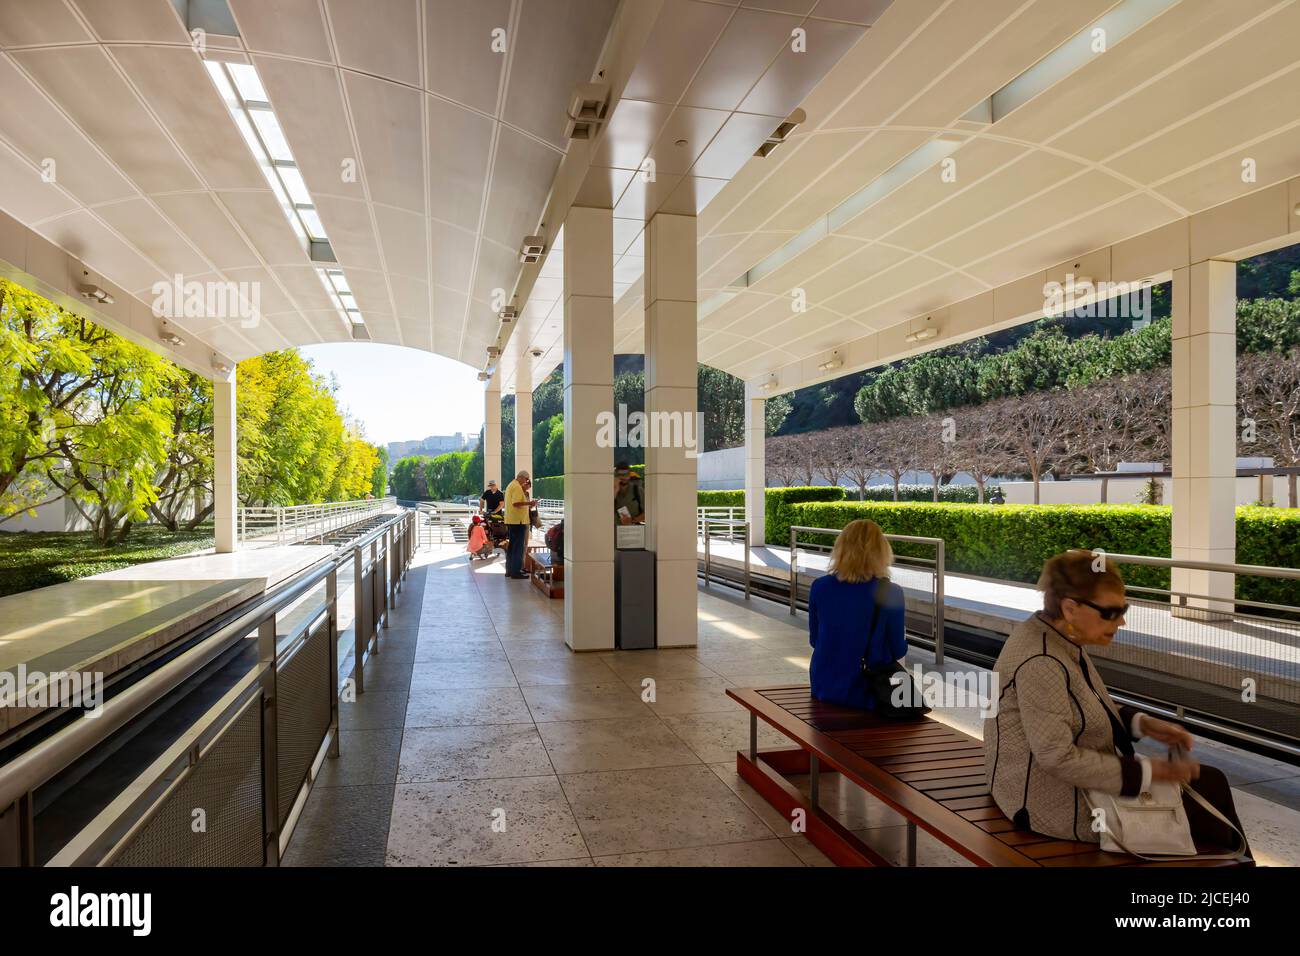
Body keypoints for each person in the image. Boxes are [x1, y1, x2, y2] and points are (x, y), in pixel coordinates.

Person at [984, 549, 1250, 857]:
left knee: (1209, 785)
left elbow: (1082, 707)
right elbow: (1058, 758)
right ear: (1070, 608)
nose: (1121, 620)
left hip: (1044, 786)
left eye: (1124, 608)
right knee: (1209, 794)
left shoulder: (1057, 638)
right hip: (1046, 803)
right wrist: (1151, 774)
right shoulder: (1042, 661)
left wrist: (1143, 724)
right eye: (1110, 612)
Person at [807, 519, 907, 710]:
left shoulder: (820, 587)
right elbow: (898, 650)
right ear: (882, 551)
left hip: (824, 685)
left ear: (840, 548)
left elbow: (815, 640)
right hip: (868, 691)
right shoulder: (892, 592)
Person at [502, 470, 537, 579]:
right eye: (526, 479)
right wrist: (530, 503)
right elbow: (516, 503)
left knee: (512, 546)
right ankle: (516, 572)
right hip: (518, 521)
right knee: (518, 547)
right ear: (522, 477)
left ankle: (510, 570)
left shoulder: (511, 485)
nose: (526, 482)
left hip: (512, 520)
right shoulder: (517, 487)